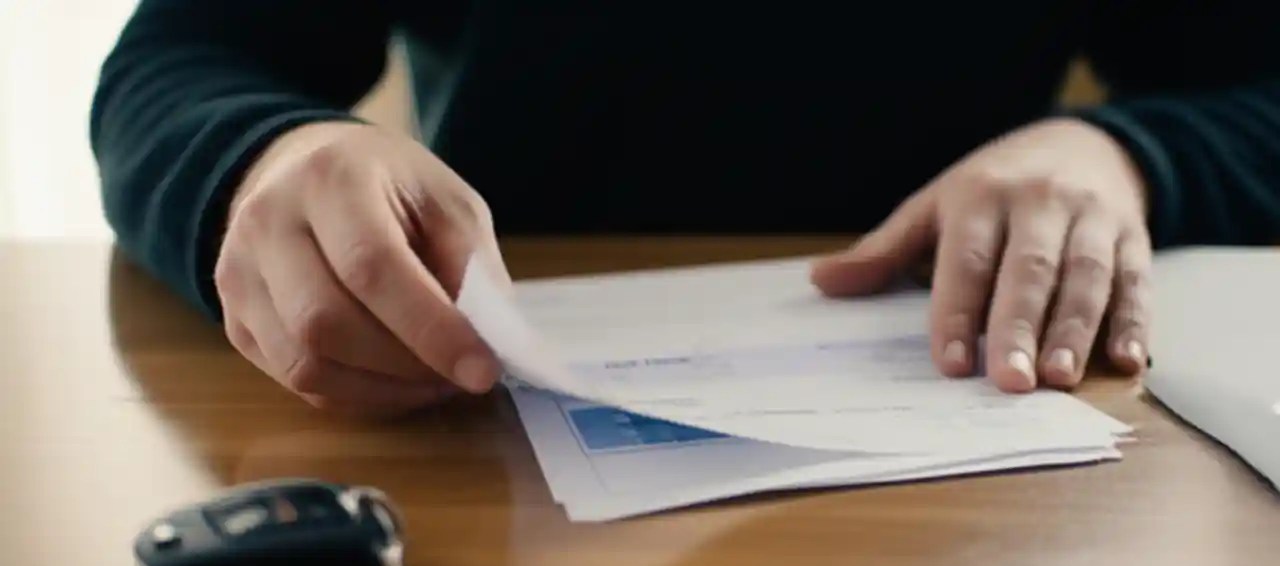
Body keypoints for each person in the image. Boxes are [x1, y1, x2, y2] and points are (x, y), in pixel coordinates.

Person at [90, 2, 1280, 415]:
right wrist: (269, 159)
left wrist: (1120, 155)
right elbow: (180, 59)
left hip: (985, 435)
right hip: (483, 430)